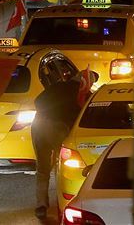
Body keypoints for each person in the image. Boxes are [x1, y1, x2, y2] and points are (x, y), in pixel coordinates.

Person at [31, 63, 83, 220]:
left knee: (42, 168)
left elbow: (37, 101)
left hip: (38, 126)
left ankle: (41, 205)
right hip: (58, 129)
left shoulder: (57, 87)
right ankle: (63, 204)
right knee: (62, 166)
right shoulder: (80, 94)